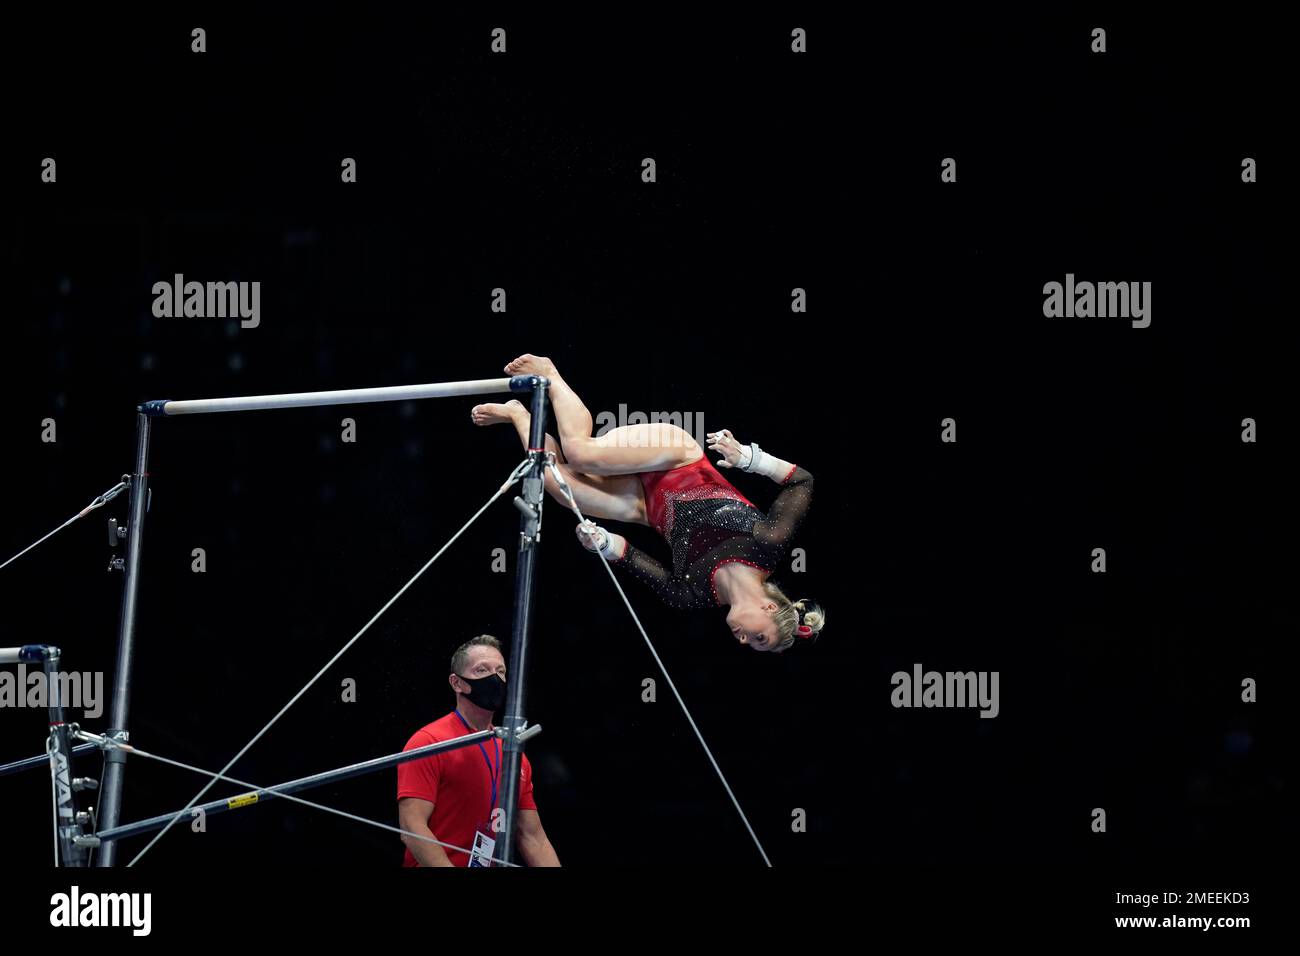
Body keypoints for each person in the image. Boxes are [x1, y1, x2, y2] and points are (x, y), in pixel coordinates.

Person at [471, 354, 826, 653]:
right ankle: (550, 373)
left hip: (645, 506)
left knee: (556, 482)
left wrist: (603, 542)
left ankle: (519, 415)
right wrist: (749, 458)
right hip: (678, 460)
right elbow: (802, 480)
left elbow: (631, 558)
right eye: (759, 637)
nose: (745, 641)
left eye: (752, 645)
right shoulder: (768, 544)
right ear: (768, 606)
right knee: (580, 453)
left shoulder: (693, 595)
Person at [396, 634, 560, 866]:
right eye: (482, 670)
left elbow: (533, 837)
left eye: (501, 671)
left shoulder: (513, 755)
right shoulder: (429, 741)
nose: (496, 678)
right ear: (457, 683)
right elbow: (412, 828)